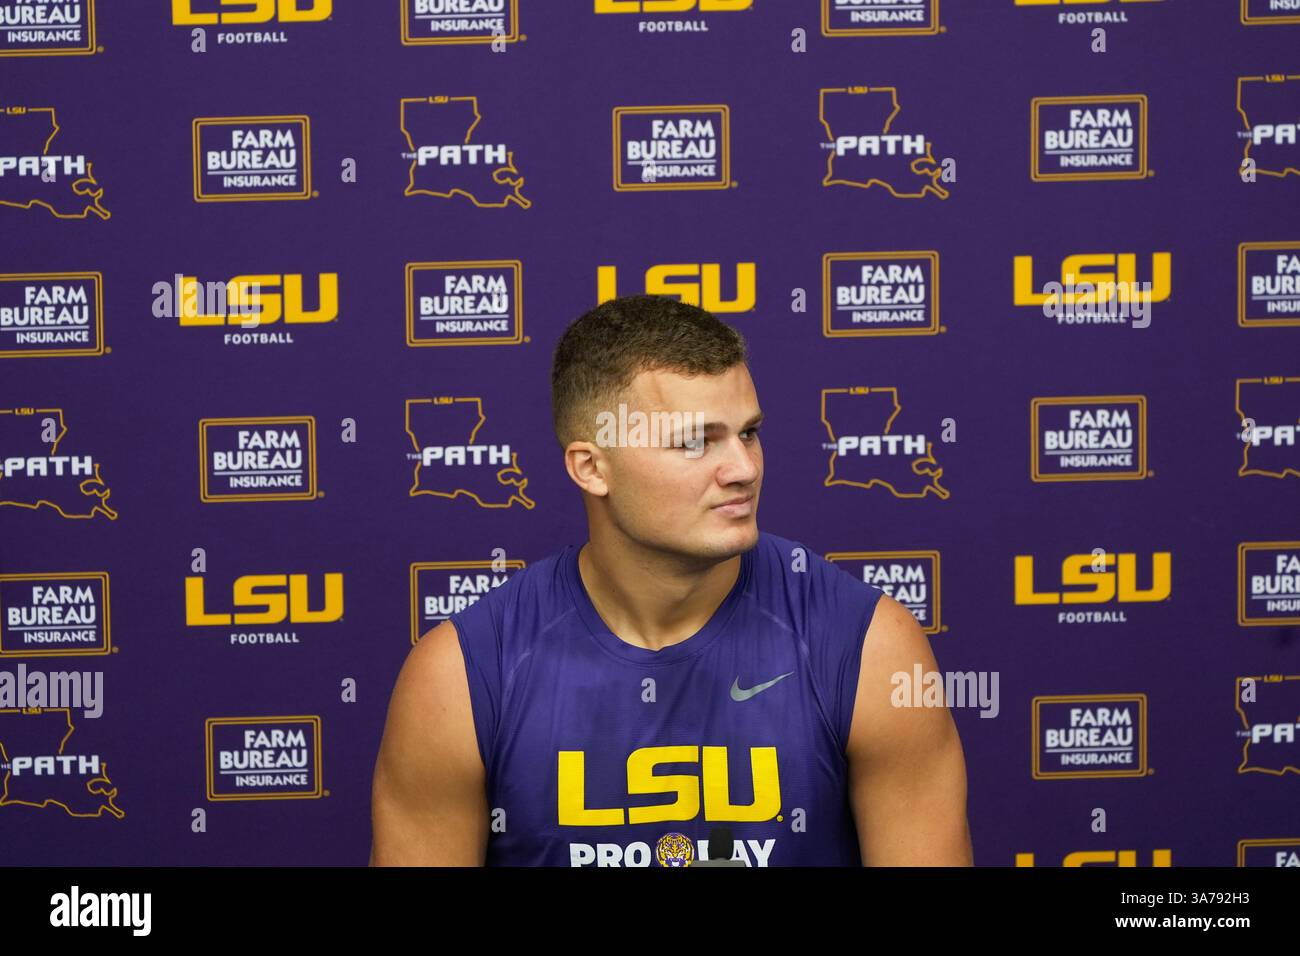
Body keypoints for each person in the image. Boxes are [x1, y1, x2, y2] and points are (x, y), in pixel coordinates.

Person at [370, 294, 972, 866]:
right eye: (694, 442)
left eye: (748, 432)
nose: (742, 469)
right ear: (592, 466)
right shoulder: (461, 677)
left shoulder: (871, 648)